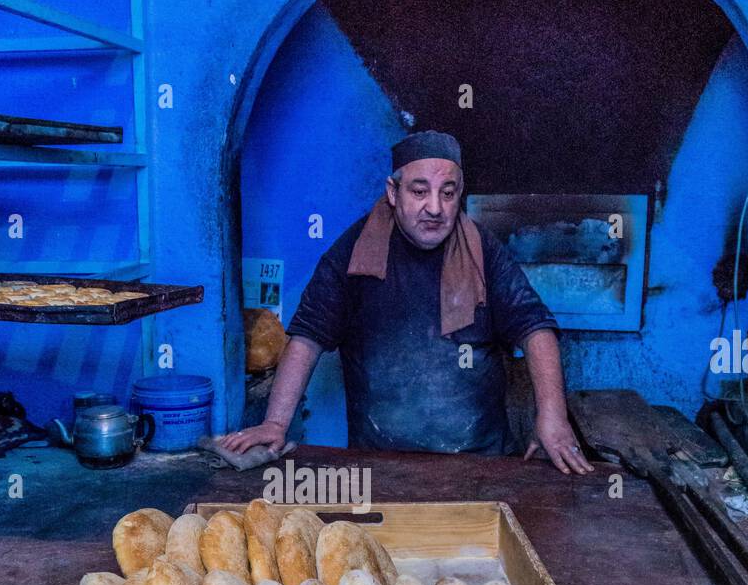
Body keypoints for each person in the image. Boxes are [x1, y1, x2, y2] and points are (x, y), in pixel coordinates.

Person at [221, 130, 593, 475]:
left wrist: (553, 417)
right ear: (393, 192)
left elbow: (535, 327)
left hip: (480, 464)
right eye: (420, 192)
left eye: (448, 193)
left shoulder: (481, 249)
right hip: (379, 466)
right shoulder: (352, 254)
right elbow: (307, 338)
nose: (435, 208)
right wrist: (275, 423)